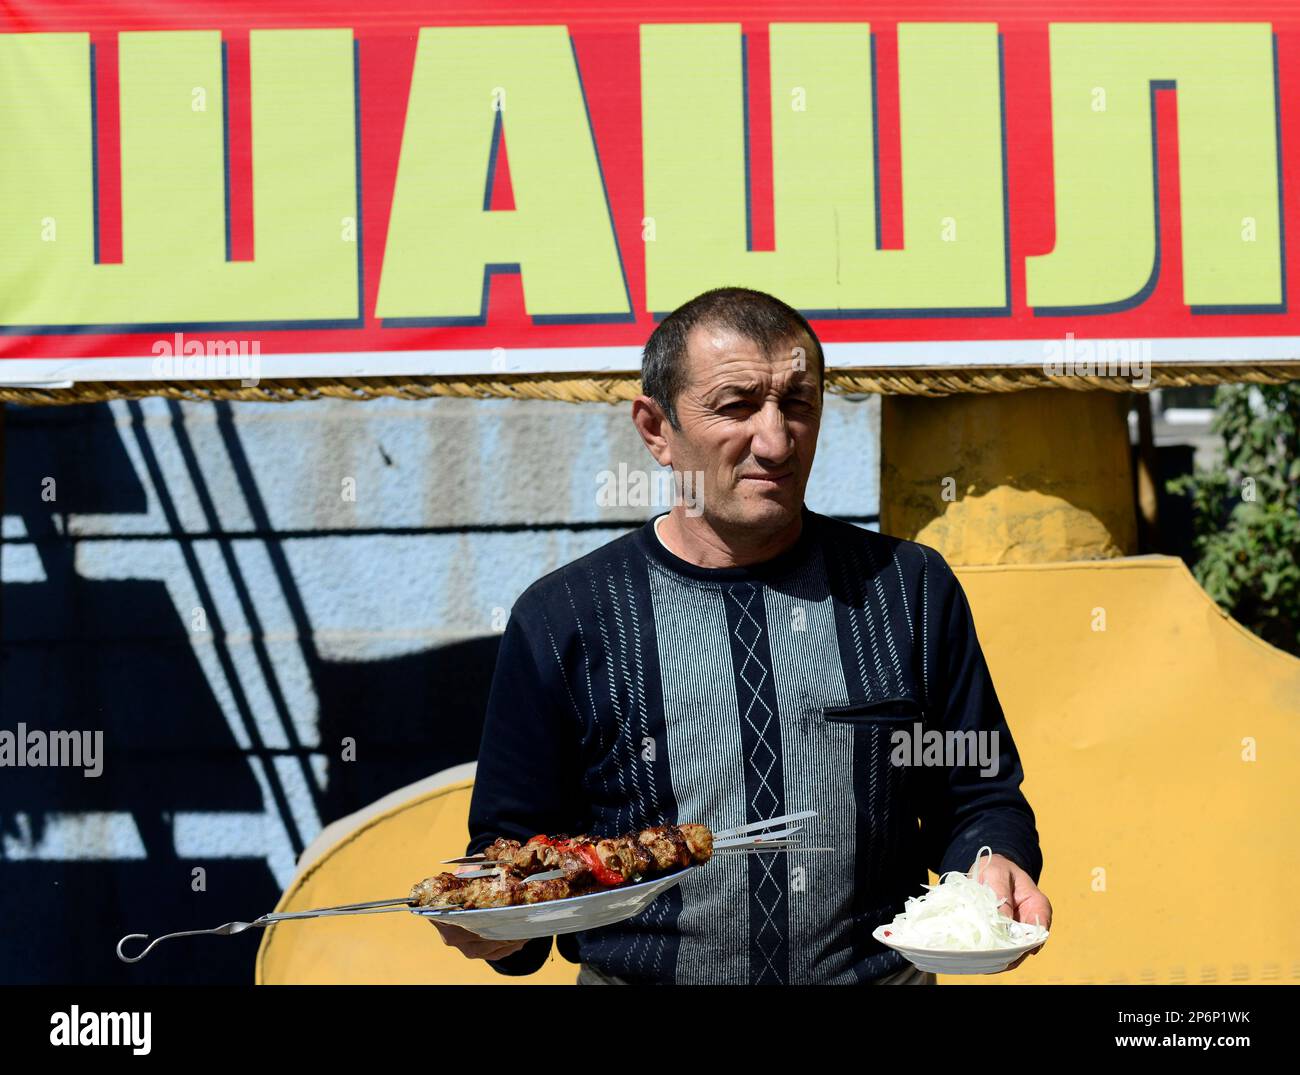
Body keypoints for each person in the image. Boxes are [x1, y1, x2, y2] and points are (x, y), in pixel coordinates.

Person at [433, 286, 1051, 984]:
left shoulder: (907, 590)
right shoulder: (564, 618)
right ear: (655, 429)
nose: (776, 439)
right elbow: (510, 852)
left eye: (797, 403)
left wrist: (993, 857)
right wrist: (492, 924)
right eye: (736, 405)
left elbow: (978, 792)